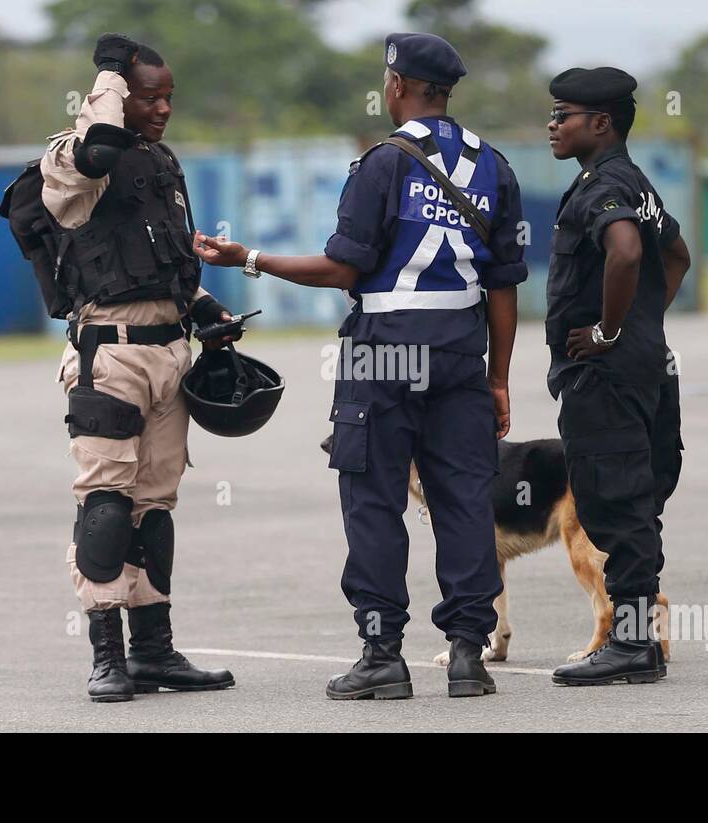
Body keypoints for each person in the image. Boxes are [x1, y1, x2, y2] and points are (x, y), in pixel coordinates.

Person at [192, 32, 528, 699]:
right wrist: (497, 377)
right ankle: (467, 654)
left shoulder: (383, 163)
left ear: (399, 86)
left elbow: (343, 267)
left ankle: (382, 654)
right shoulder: (495, 167)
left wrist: (248, 259)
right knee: (462, 500)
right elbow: (504, 288)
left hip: (383, 350)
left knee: (374, 501)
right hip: (461, 353)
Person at [42, 33, 237, 702]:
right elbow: (99, 145)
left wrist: (209, 310)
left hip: (168, 352)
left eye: (168, 97)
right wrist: (109, 72)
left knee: (154, 508)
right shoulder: (75, 157)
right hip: (110, 354)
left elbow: (164, 260)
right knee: (104, 503)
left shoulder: (159, 162)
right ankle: (106, 656)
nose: (161, 108)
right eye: (147, 96)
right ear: (117, 96)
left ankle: (154, 651)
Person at [541, 67, 692, 686]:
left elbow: (628, 251)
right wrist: (643, 324)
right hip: (645, 367)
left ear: (600, 124)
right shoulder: (637, 182)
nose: (552, 125)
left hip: (605, 376)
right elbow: (677, 254)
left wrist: (608, 331)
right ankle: (640, 645)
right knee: (636, 500)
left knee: (615, 501)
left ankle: (630, 645)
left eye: (562, 115)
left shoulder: (603, 186)